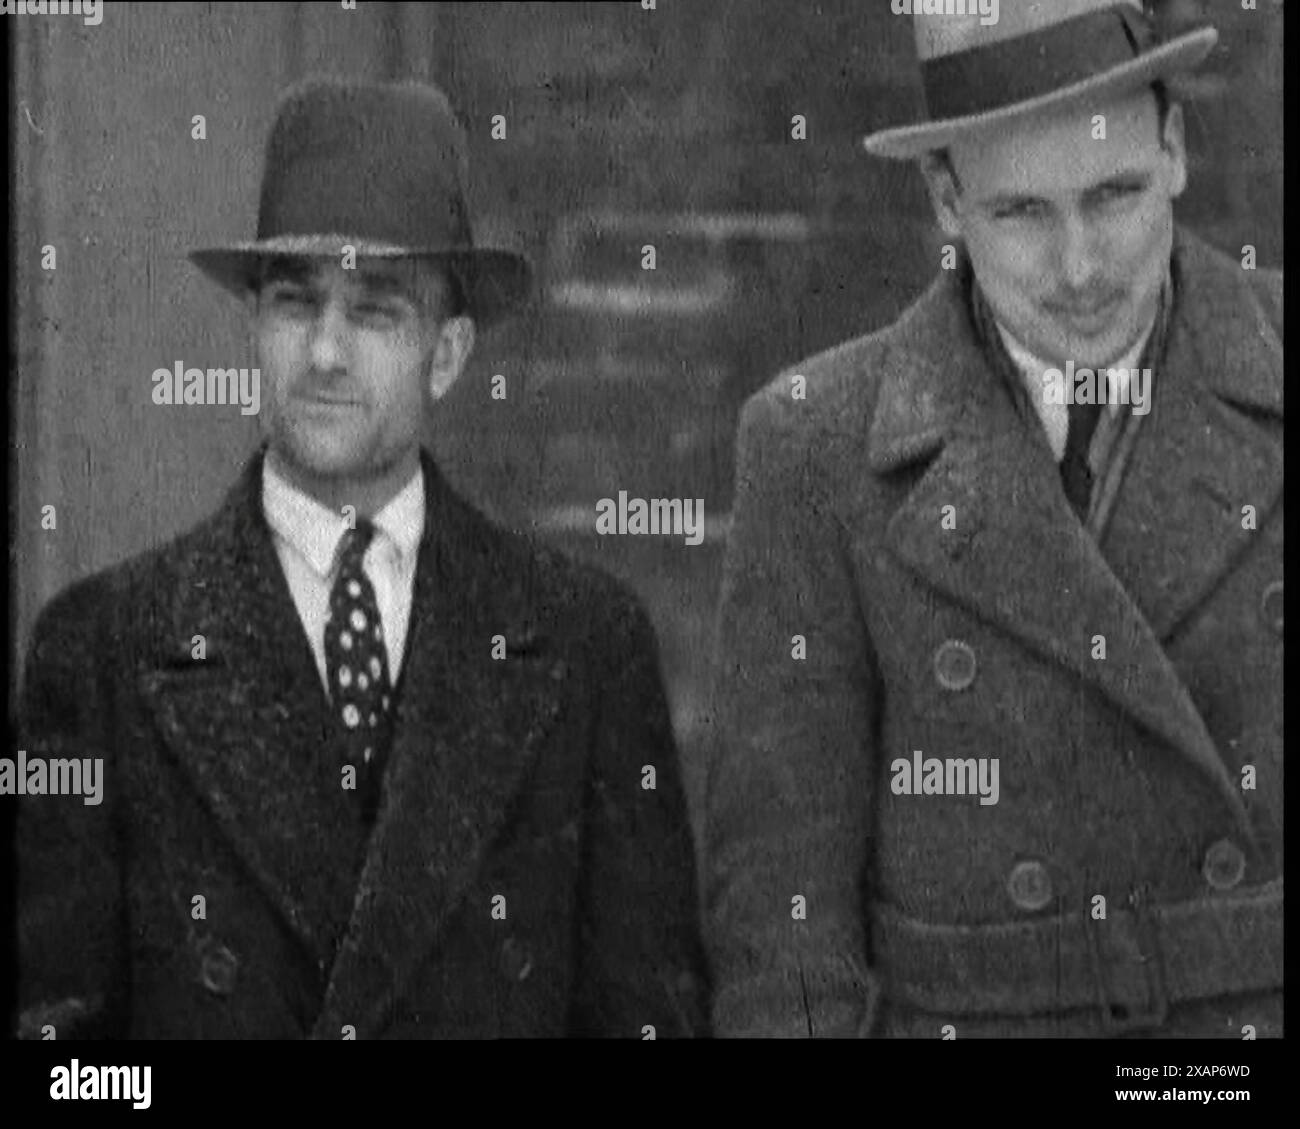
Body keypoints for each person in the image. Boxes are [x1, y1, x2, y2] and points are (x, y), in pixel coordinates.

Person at [14, 78, 708, 1039]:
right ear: (254, 327)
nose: (326, 353)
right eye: (296, 304)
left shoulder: (585, 647)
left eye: (375, 312)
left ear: (449, 351)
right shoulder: (103, 652)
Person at [706, 0, 1281, 1037]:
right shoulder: (814, 449)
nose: (1079, 269)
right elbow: (785, 932)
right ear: (945, 199)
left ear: (1175, 150)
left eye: (1113, 195)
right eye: (1020, 213)